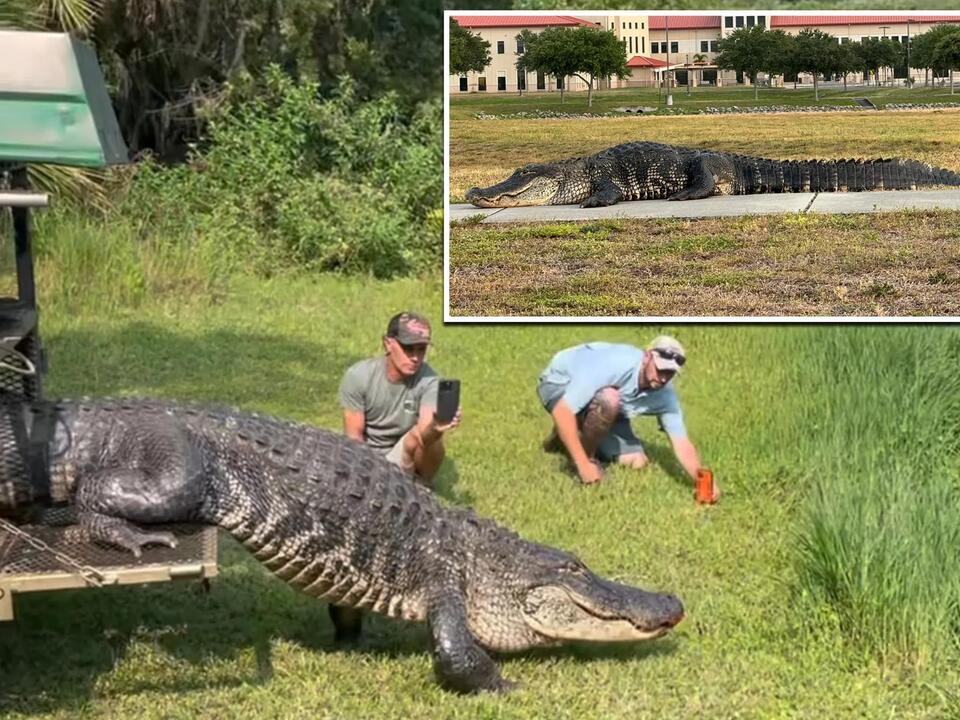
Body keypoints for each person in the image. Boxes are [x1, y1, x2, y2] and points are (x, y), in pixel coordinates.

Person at [537, 335, 715, 498]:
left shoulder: (665, 395)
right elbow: (562, 410)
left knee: (637, 462)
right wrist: (583, 464)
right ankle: (582, 461)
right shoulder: (616, 364)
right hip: (559, 383)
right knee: (609, 400)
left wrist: (703, 481)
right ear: (647, 357)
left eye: (669, 374)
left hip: (607, 404)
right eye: (660, 370)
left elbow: (681, 443)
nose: (662, 379)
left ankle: (567, 436)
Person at [339, 311, 459, 485]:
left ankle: (420, 487)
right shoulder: (358, 376)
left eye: (421, 349)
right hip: (368, 454)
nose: (415, 357)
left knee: (434, 442)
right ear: (388, 344)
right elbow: (354, 437)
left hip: (405, 451)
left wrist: (436, 428)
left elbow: (424, 434)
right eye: (408, 348)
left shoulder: (430, 381)